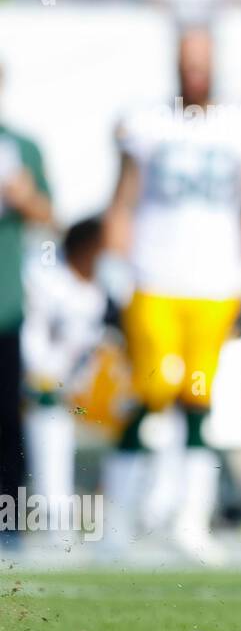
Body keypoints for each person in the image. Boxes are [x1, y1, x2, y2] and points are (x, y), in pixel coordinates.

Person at [104, 27, 241, 561]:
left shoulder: (240, 127)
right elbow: (123, 198)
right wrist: (114, 264)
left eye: (202, 61)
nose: (194, 71)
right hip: (154, 276)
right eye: (186, 62)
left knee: (199, 398)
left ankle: (189, 519)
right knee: (150, 392)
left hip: (215, 282)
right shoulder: (148, 124)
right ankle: (120, 522)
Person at [22, 217, 108, 545]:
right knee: (49, 423)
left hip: (73, 383)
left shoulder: (98, 290)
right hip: (38, 378)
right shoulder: (44, 277)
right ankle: (51, 518)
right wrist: (44, 375)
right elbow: (32, 337)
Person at [0, 64, 54, 550]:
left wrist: (22, 196)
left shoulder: (19, 145)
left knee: (6, 416)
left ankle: (9, 522)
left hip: (5, 304)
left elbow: (49, 215)